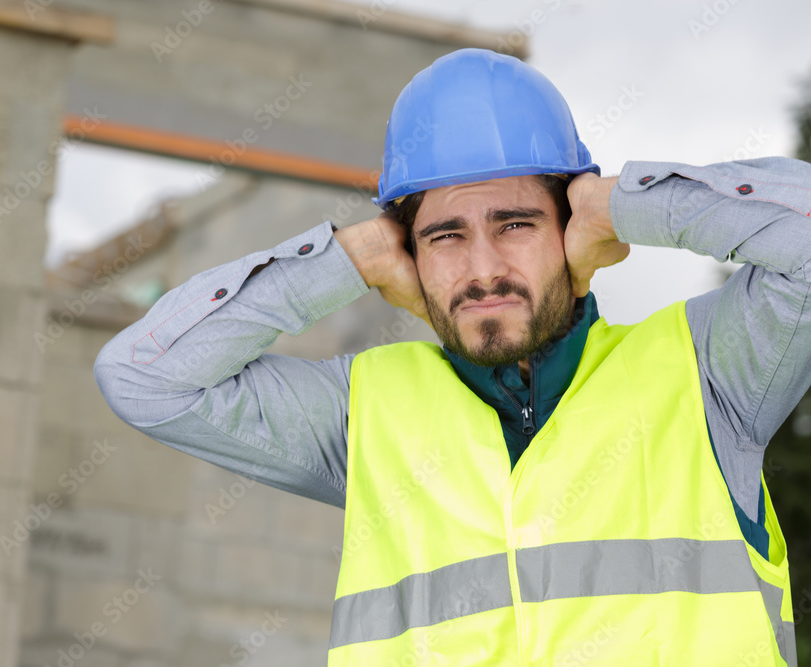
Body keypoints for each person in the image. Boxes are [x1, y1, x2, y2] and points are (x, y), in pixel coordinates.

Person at [94, 48, 811, 665]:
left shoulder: (708, 374)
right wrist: (349, 257)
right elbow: (144, 376)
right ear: (408, 251)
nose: (483, 268)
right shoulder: (362, 414)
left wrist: (623, 203)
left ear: (572, 226)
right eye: (445, 236)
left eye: (516, 224)